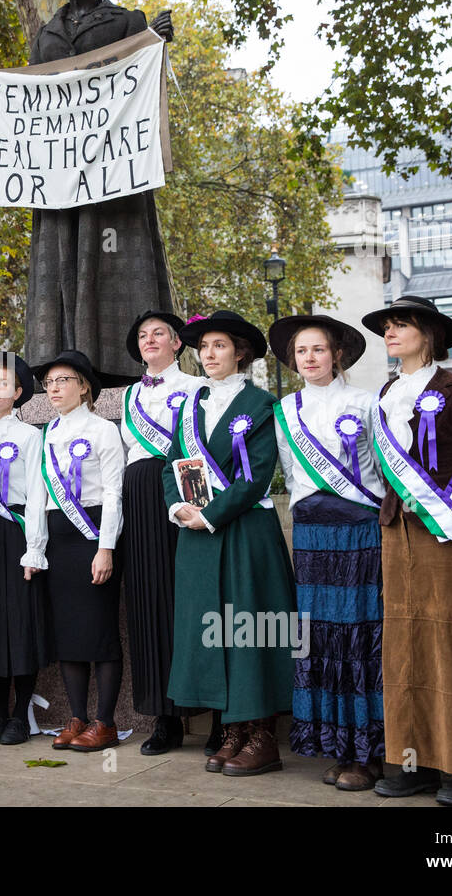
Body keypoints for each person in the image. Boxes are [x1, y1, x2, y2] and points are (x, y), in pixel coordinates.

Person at [0, 0, 176, 378]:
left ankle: (121, 363)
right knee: (60, 266)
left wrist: (158, 39)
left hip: (114, 178)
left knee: (111, 258)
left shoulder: (129, 22)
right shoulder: (46, 35)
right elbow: (30, 98)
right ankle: (60, 364)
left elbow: (145, 74)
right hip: (57, 185)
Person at [361, 295, 452, 806]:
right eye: (387, 328)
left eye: (401, 325)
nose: (391, 334)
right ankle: (412, 763)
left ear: (429, 334)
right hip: (396, 534)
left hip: (447, 537)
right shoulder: (385, 392)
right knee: (404, 651)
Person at [164, 311, 296, 776]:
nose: (209, 354)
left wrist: (210, 515)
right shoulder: (189, 405)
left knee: (249, 631)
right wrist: (177, 508)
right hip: (196, 537)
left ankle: (262, 736)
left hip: (244, 532)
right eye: (204, 347)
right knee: (211, 630)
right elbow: (170, 465)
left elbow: (258, 477)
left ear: (240, 352)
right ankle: (231, 732)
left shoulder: (261, 404)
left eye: (219, 346)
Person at [269, 315, 387, 791]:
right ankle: (334, 746)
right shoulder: (285, 409)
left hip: (359, 531)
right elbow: (292, 474)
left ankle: (366, 754)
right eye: (301, 352)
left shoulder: (366, 403)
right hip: (312, 535)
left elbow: (381, 467)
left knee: (358, 636)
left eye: (318, 350)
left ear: (337, 354)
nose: (310, 359)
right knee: (318, 637)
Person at [118, 311, 207, 755]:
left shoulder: (196, 389)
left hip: (182, 491)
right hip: (138, 496)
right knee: (149, 603)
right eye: (142, 335)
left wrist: (198, 510)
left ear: (177, 344)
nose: (149, 340)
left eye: (159, 334)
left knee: (190, 599)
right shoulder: (130, 395)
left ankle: (210, 711)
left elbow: (195, 452)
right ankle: (163, 717)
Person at [34, 350, 127, 752]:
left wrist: (105, 547)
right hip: (59, 541)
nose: (54, 389)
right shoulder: (47, 433)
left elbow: (113, 492)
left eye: (63, 381)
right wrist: (35, 549)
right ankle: (76, 717)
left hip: (92, 535)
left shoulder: (104, 430)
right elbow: (39, 494)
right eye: (49, 383)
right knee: (68, 633)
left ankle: (104, 721)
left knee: (100, 630)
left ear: (84, 386)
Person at [0, 352, 51, 746]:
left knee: (19, 623)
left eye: (3, 383)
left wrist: (34, 547)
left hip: (16, 530)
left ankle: (21, 713)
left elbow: (37, 492)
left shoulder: (31, 436)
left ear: (18, 392)